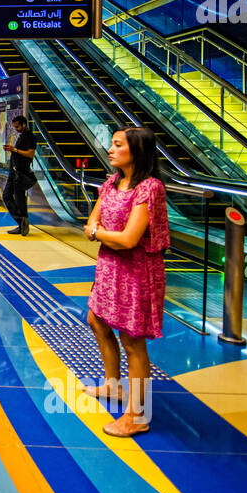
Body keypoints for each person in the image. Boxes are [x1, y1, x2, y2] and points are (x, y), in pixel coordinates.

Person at [83, 126, 170, 438]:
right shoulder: (112, 183)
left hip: (137, 272)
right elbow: (93, 219)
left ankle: (137, 414)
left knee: (133, 340)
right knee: (97, 320)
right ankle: (112, 384)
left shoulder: (149, 188)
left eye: (118, 145)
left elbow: (129, 239)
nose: (110, 149)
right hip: (109, 267)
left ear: (137, 151)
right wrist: (101, 232)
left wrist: (99, 233)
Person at [1, 114, 37, 235]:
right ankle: (21, 222)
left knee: (20, 200)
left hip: (22, 173)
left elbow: (30, 154)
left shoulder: (30, 137)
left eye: (17, 127)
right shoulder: (22, 136)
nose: (16, 129)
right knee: (6, 196)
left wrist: (14, 150)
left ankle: (23, 224)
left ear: (24, 124)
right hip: (14, 172)